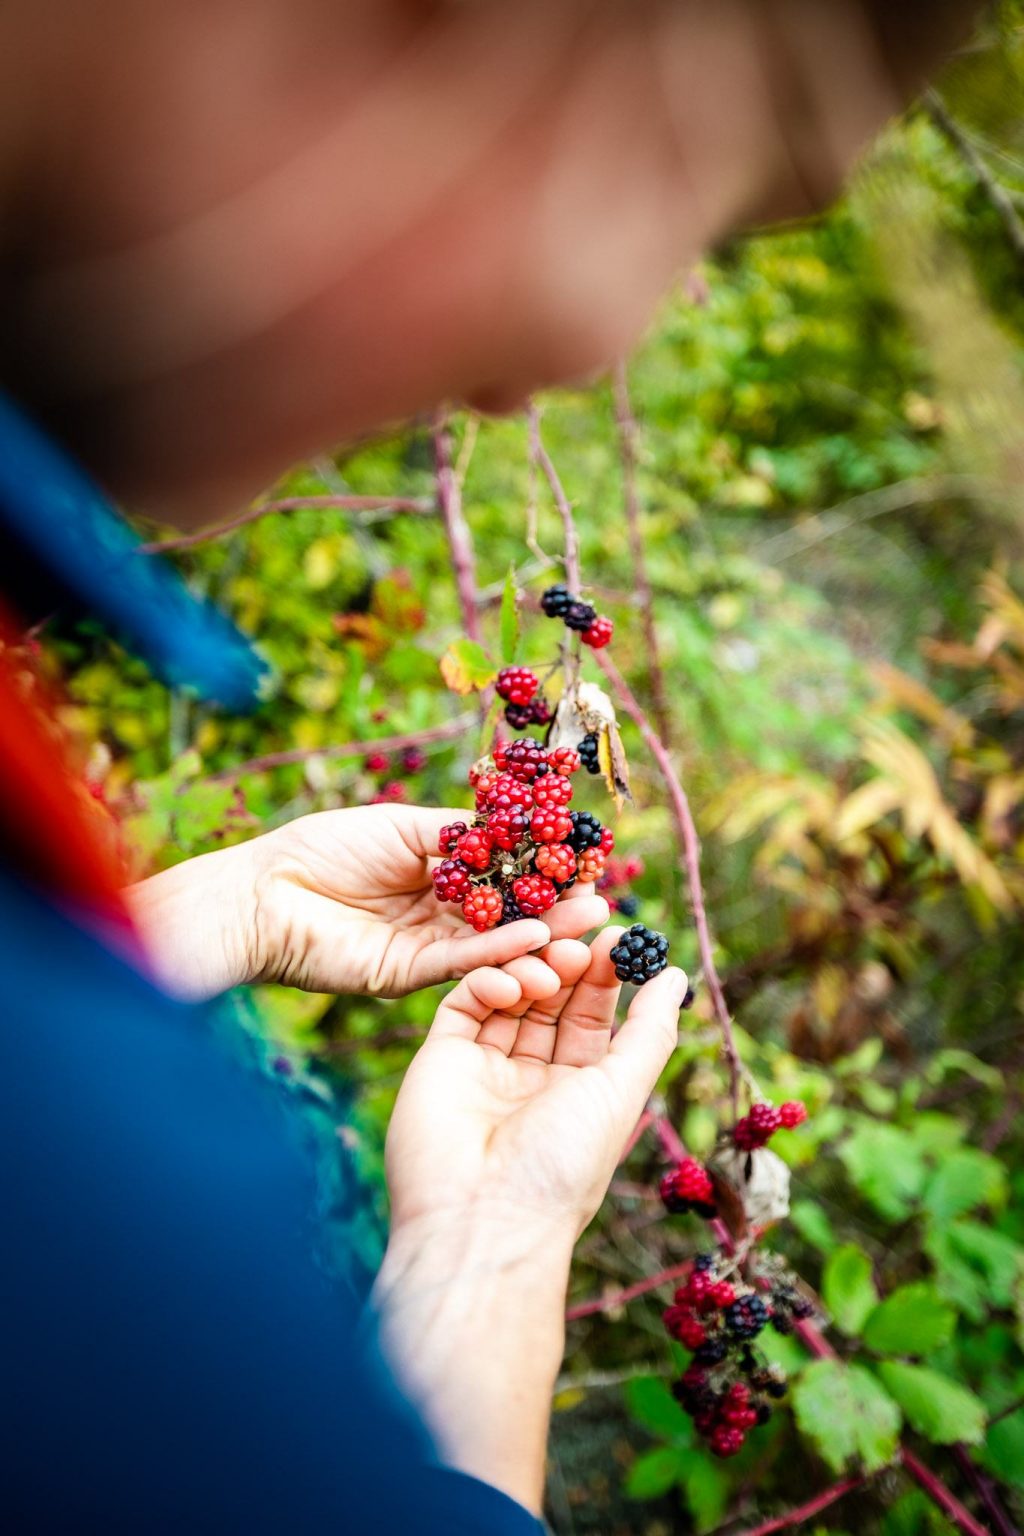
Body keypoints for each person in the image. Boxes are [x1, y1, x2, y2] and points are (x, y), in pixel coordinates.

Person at [0, 2, 977, 1530]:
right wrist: (494, 1270)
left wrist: (231, 911)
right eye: (683, 168)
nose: (594, 336)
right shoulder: (104, 1187)